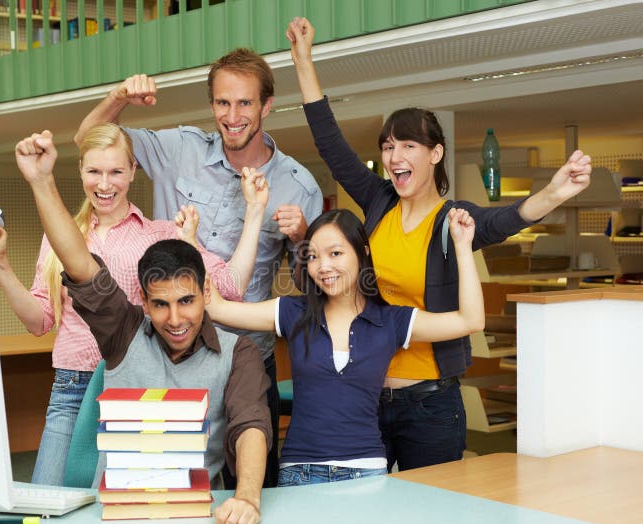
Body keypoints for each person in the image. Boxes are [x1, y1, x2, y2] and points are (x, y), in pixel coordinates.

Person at [285, 17, 593, 472]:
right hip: (366, 396)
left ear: (435, 153)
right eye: (388, 146)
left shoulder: (452, 220)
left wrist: (555, 193)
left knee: (428, 512)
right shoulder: (378, 202)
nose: (394, 157)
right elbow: (330, 143)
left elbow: (504, 220)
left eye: (407, 145)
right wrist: (303, 61)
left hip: (429, 402)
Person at [74, 48, 324, 487]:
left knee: (253, 480)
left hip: (247, 358)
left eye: (245, 103)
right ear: (212, 104)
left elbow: (315, 286)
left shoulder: (298, 185)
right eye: (222, 103)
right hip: (169, 356)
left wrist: (303, 240)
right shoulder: (180, 149)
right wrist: (118, 97)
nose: (233, 115)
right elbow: (89, 142)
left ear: (266, 105)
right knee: (167, 483)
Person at [0, 124, 269, 487]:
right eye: (94, 171)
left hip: (134, 386)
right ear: (80, 171)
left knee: (132, 501)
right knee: (46, 501)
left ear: (133, 171)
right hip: (72, 388)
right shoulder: (60, 237)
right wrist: (0, 267)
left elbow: (230, 287)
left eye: (115, 171)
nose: (104, 184)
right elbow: (39, 321)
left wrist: (254, 213)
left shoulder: (159, 235)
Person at [204, 207, 484, 486]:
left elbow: (470, 320)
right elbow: (216, 308)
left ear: (362, 252)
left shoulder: (390, 320)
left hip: (366, 473)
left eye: (335, 253)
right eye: (313, 256)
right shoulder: (293, 312)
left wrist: (462, 246)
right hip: (299, 472)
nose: (323, 266)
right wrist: (189, 240)